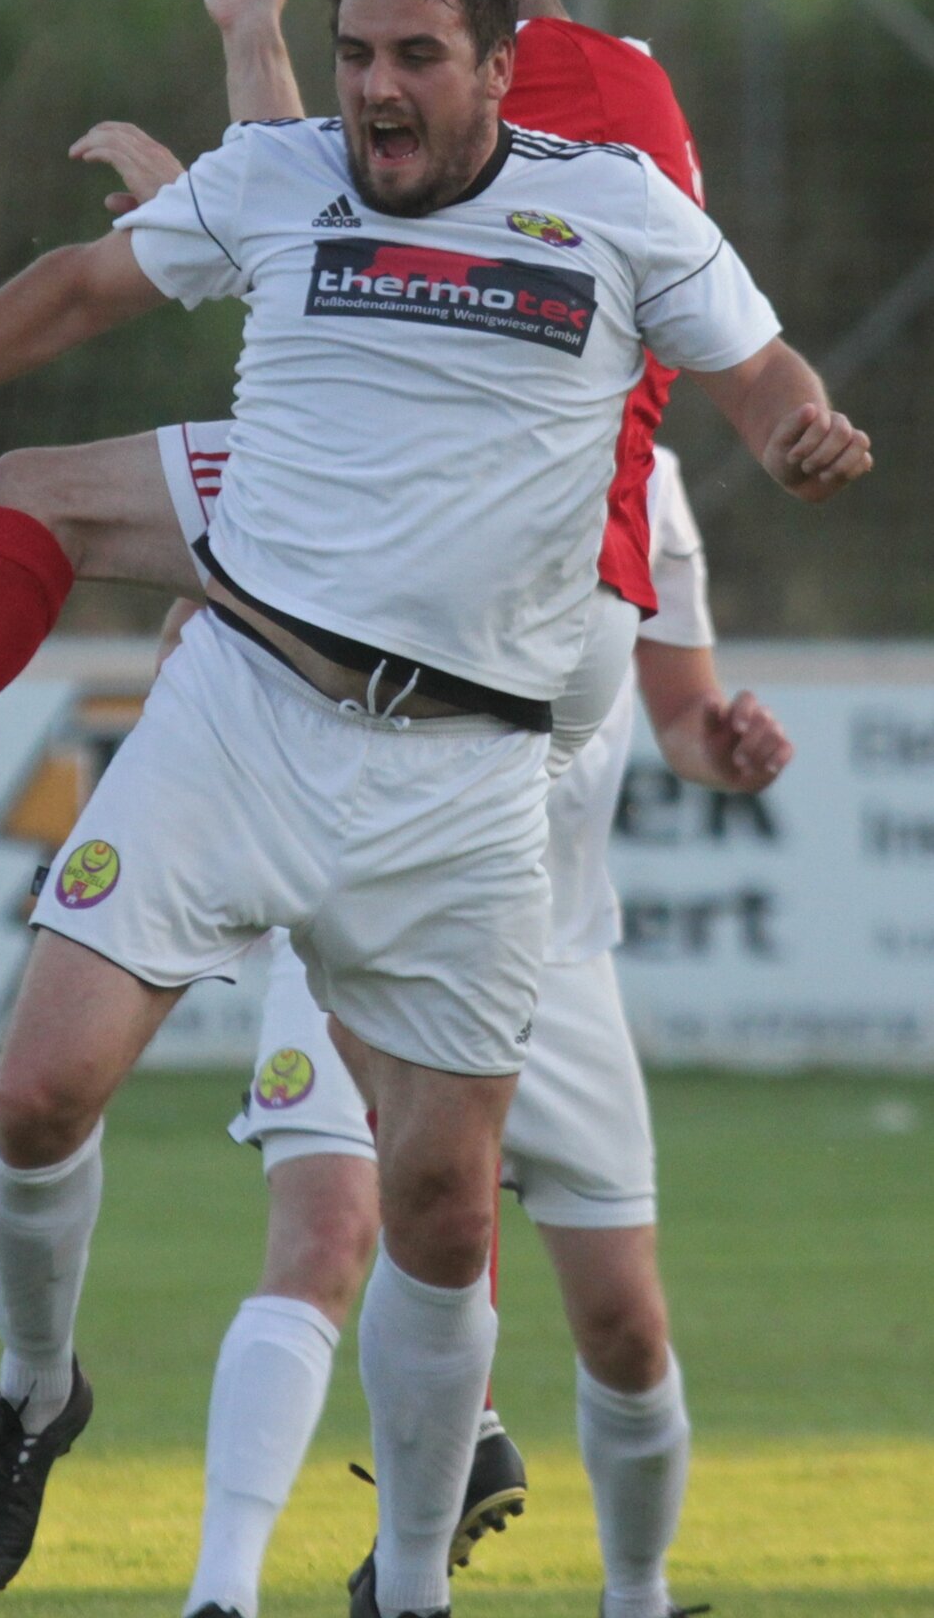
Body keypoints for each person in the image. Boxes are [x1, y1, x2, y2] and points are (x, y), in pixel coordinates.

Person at [0, 0, 868, 1618]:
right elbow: (85, 283)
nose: (374, 90)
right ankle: (31, 1389)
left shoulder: (616, 212)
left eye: (414, 58)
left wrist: (799, 430)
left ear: (501, 73)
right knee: (35, 1093)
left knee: (444, 1216)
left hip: (463, 784)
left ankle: (404, 1582)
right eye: (358, 52)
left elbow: (757, 371)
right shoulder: (289, 174)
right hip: (246, 708)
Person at [157, 437, 781, 1618]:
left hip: (550, 955)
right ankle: (222, 1593)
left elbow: (685, 710)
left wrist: (727, 748)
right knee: (327, 1230)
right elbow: (219, 628)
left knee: (624, 1322)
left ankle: (636, 1595)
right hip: (357, 912)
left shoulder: (645, 478)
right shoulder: (384, 404)